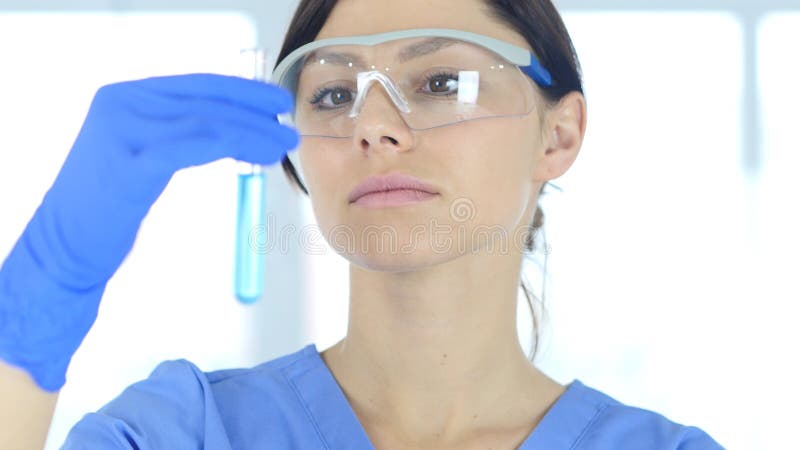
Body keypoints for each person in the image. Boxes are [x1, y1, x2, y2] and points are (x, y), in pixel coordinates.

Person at [0, 0, 726, 448]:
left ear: (558, 137)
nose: (374, 126)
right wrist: (42, 295)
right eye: (336, 92)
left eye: (442, 82)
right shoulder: (182, 432)